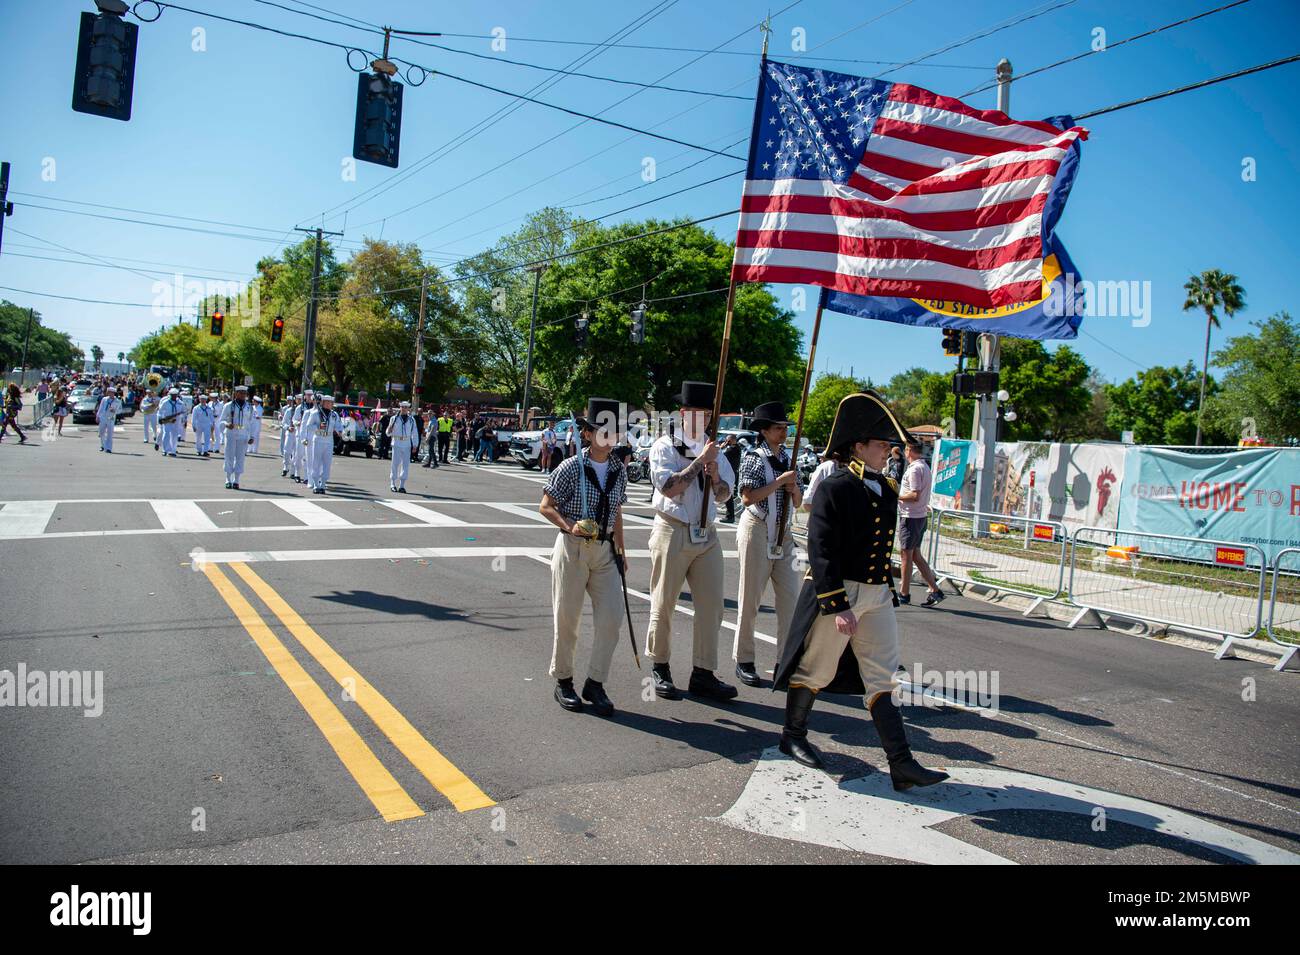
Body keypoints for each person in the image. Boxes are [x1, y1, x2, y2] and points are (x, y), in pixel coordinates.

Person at [772, 391, 949, 791]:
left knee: (884, 676)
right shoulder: (835, 486)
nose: (888, 450)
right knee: (816, 667)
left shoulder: (885, 489)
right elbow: (820, 550)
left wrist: (885, 591)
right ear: (858, 446)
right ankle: (793, 736)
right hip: (840, 593)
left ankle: (901, 765)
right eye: (880, 444)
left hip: (876, 593)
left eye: (889, 445)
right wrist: (836, 605)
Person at [644, 381, 737, 701]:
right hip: (673, 528)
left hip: (707, 534)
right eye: (698, 412)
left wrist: (715, 475)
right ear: (683, 414)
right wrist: (700, 462)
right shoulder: (665, 446)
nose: (705, 418)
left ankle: (704, 671)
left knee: (712, 606)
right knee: (664, 602)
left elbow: (725, 496)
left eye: (708, 413)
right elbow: (668, 487)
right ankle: (660, 667)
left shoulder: (715, 449)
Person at [539, 398, 629, 717]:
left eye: (615, 431)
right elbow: (546, 506)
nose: (610, 436)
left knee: (611, 618)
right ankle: (564, 680)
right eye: (603, 430)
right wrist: (569, 525)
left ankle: (596, 682)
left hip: (605, 550)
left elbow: (616, 509)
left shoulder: (619, 470)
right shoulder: (570, 467)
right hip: (573, 547)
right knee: (568, 619)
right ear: (588, 434)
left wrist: (621, 546)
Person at [732, 401, 802, 688]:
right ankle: (743, 659)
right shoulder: (753, 456)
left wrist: (794, 487)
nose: (784, 432)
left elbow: (797, 501)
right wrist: (780, 482)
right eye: (778, 428)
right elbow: (747, 496)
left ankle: (784, 661)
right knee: (750, 598)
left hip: (783, 533)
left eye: (785, 427)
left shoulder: (788, 457)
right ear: (763, 431)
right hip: (758, 527)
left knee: (790, 601)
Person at [897, 438, 944, 607]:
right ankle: (935, 589)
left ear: (909, 450)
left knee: (906, 555)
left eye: (906, 449)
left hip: (911, 516)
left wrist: (895, 494)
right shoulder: (923, 466)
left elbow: (914, 495)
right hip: (918, 516)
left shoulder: (915, 469)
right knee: (915, 555)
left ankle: (904, 593)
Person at [303, 393, 343, 494]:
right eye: (328, 402)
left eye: (331, 402)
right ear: (323, 403)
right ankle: (316, 484)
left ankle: (323, 483)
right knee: (316, 462)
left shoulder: (334, 414)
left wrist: (339, 431)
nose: (330, 404)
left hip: (329, 440)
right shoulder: (315, 413)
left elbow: (339, 425)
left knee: (327, 463)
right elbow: (308, 426)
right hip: (318, 439)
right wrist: (318, 427)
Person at [219, 385, 254, 489]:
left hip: (243, 434)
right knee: (229, 456)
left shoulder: (249, 407)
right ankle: (228, 478)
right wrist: (226, 424)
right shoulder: (229, 406)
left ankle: (236, 480)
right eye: (241, 393)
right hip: (231, 433)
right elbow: (222, 420)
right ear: (236, 394)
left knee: (240, 458)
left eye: (244, 393)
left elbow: (250, 423)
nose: (243, 395)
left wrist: (251, 436)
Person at [386, 400, 418, 493]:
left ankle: (402, 485)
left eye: (406, 407)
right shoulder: (394, 418)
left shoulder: (412, 419)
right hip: (396, 442)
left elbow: (414, 433)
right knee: (395, 464)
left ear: (408, 409)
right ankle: (392, 483)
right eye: (402, 407)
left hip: (407, 444)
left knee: (405, 465)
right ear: (400, 408)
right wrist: (389, 429)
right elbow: (388, 433)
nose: (404, 409)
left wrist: (415, 444)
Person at [722, 433, 743, 522]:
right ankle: (730, 515)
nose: (727, 442)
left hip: (729, 474)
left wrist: (723, 446)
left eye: (728, 440)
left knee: (728, 494)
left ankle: (730, 516)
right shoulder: (735, 448)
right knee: (727, 494)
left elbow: (721, 454)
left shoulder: (733, 449)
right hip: (730, 473)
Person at [157, 387, 183, 456]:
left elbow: (184, 412)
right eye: (172, 395)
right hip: (167, 420)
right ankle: (165, 450)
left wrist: (182, 419)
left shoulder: (180, 403)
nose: (174, 396)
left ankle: (173, 450)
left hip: (176, 421)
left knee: (174, 435)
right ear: (170, 395)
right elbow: (160, 411)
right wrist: (160, 418)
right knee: (166, 434)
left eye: (175, 395)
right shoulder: (165, 402)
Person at [95, 387, 122, 452]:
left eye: (109, 392)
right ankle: (103, 445)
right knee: (101, 432)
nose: (108, 393)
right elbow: (100, 408)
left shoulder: (117, 401)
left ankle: (109, 448)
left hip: (111, 418)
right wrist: (97, 416)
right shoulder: (104, 399)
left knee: (110, 434)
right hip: (103, 417)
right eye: (108, 392)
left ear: (112, 393)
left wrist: (114, 410)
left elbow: (120, 410)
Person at [280, 394, 299, 477]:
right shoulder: (289, 410)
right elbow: (283, 423)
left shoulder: (304, 411)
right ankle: (285, 466)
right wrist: (288, 427)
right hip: (290, 433)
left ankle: (293, 470)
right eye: (298, 400)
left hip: (298, 434)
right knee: (287, 451)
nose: (299, 401)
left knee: (296, 453)